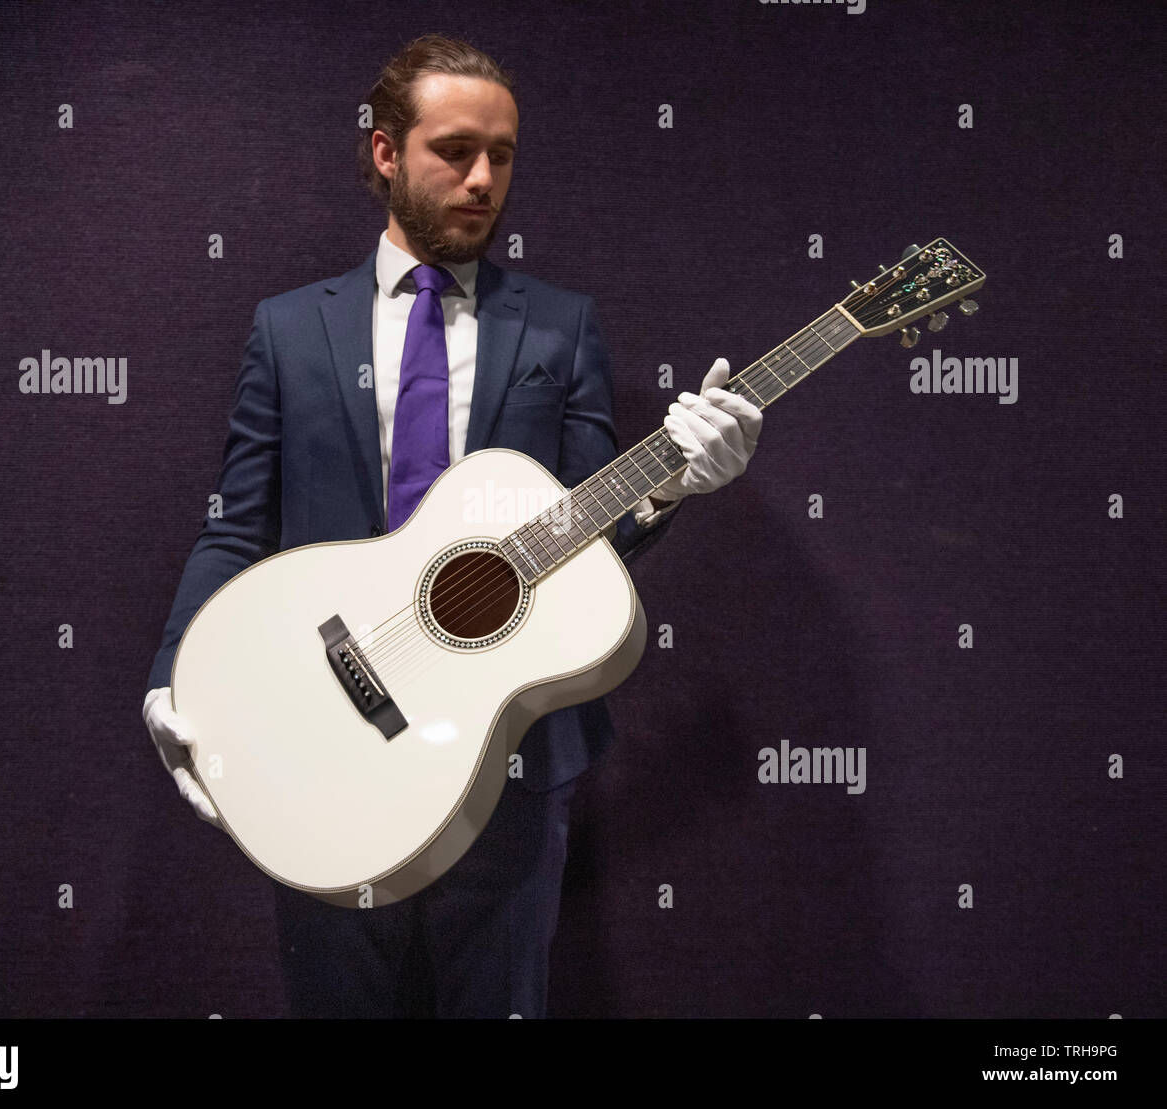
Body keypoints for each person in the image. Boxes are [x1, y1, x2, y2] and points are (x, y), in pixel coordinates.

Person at [142, 33, 762, 1018]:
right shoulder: (289, 328)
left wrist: (680, 481)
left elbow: (587, 534)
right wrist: (173, 673)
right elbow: (236, 521)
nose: (482, 179)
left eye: (503, 156)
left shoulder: (560, 327)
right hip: (321, 736)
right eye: (455, 150)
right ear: (386, 153)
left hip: (505, 758)